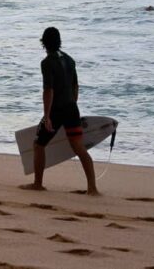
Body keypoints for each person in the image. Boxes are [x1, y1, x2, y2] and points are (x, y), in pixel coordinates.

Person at [19, 27, 99, 195]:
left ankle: (38, 184)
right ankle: (92, 188)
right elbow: (75, 87)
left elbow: (49, 91)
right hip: (72, 109)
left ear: (44, 43)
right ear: (59, 41)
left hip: (57, 110)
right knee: (79, 148)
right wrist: (72, 106)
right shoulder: (70, 60)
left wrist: (47, 116)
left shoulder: (47, 63)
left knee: (38, 144)